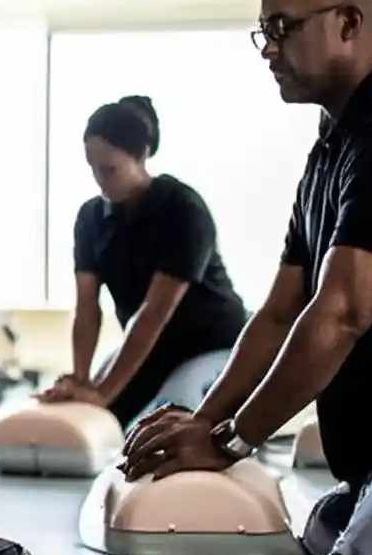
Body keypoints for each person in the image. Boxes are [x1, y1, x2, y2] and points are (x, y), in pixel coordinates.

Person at [121, 0, 372, 555]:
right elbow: (280, 311)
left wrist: (235, 439)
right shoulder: (333, 147)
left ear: (349, 22)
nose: (267, 49)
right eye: (262, 32)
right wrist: (207, 426)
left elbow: (343, 310)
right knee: (331, 529)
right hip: (368, 464)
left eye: (282, 28)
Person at [39, 96, 248, 427]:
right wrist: (82, 380)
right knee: (98, 416)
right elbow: (87, 308)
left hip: (213, 347)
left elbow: (154, 313)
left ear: (141, 155)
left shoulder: (183, 209)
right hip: (152, 351)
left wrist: (102, 393)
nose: (100, 180)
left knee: (167, 419)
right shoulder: (91, 217)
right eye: (92, 168)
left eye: (110, 169)